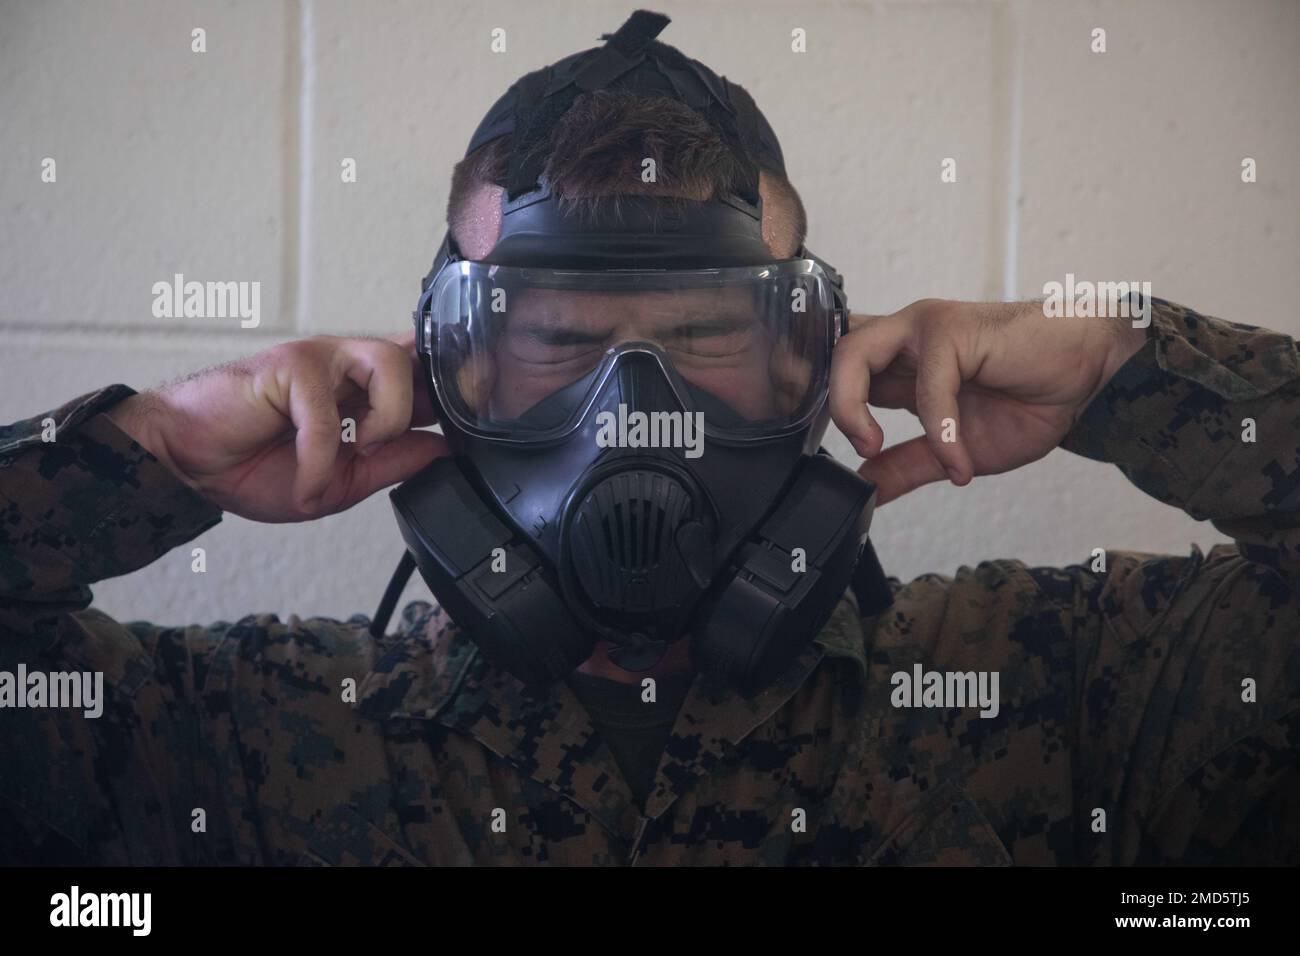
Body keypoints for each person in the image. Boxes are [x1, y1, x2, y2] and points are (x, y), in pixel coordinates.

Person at [1, 12, 1296, 867]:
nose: (634, 414)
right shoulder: (247, 741)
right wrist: (145, 455)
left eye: (707, 333)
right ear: (440, 373)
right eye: (557, 341)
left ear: (821, 355)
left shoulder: (1059, 694)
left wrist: (1126, 368)